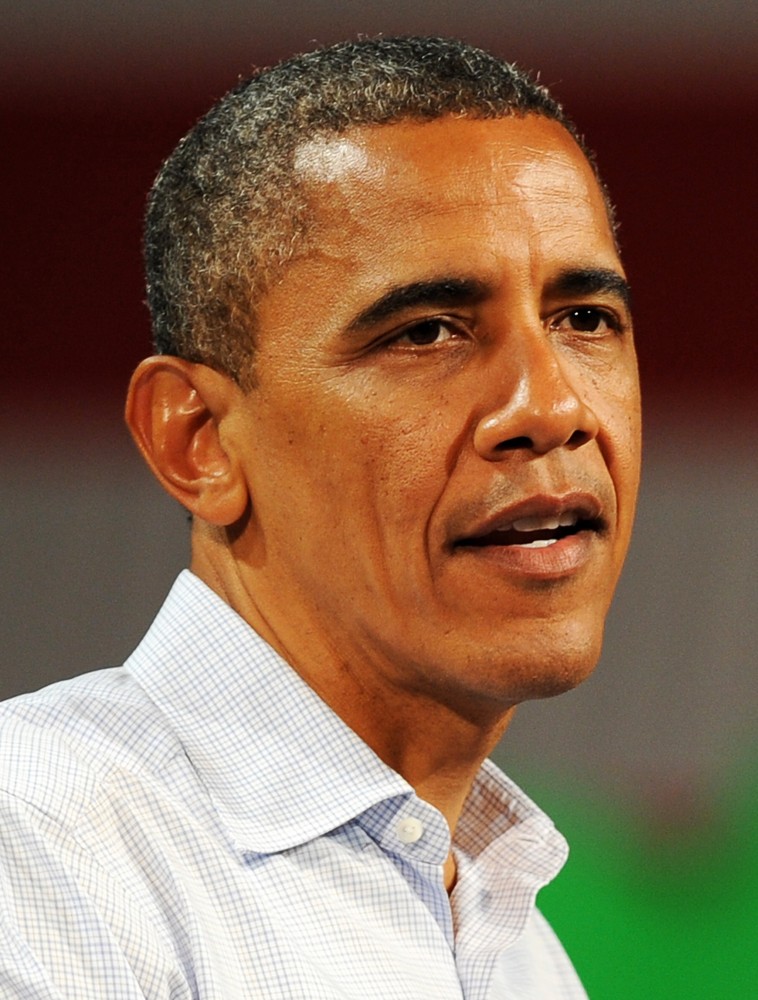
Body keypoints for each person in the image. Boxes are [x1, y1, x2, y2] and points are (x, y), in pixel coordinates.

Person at [0, 36, 641, 999]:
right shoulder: (40, 852)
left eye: (584, 318)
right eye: (426, 331)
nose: (550, 409)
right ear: (198, 442)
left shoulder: (517, 939)